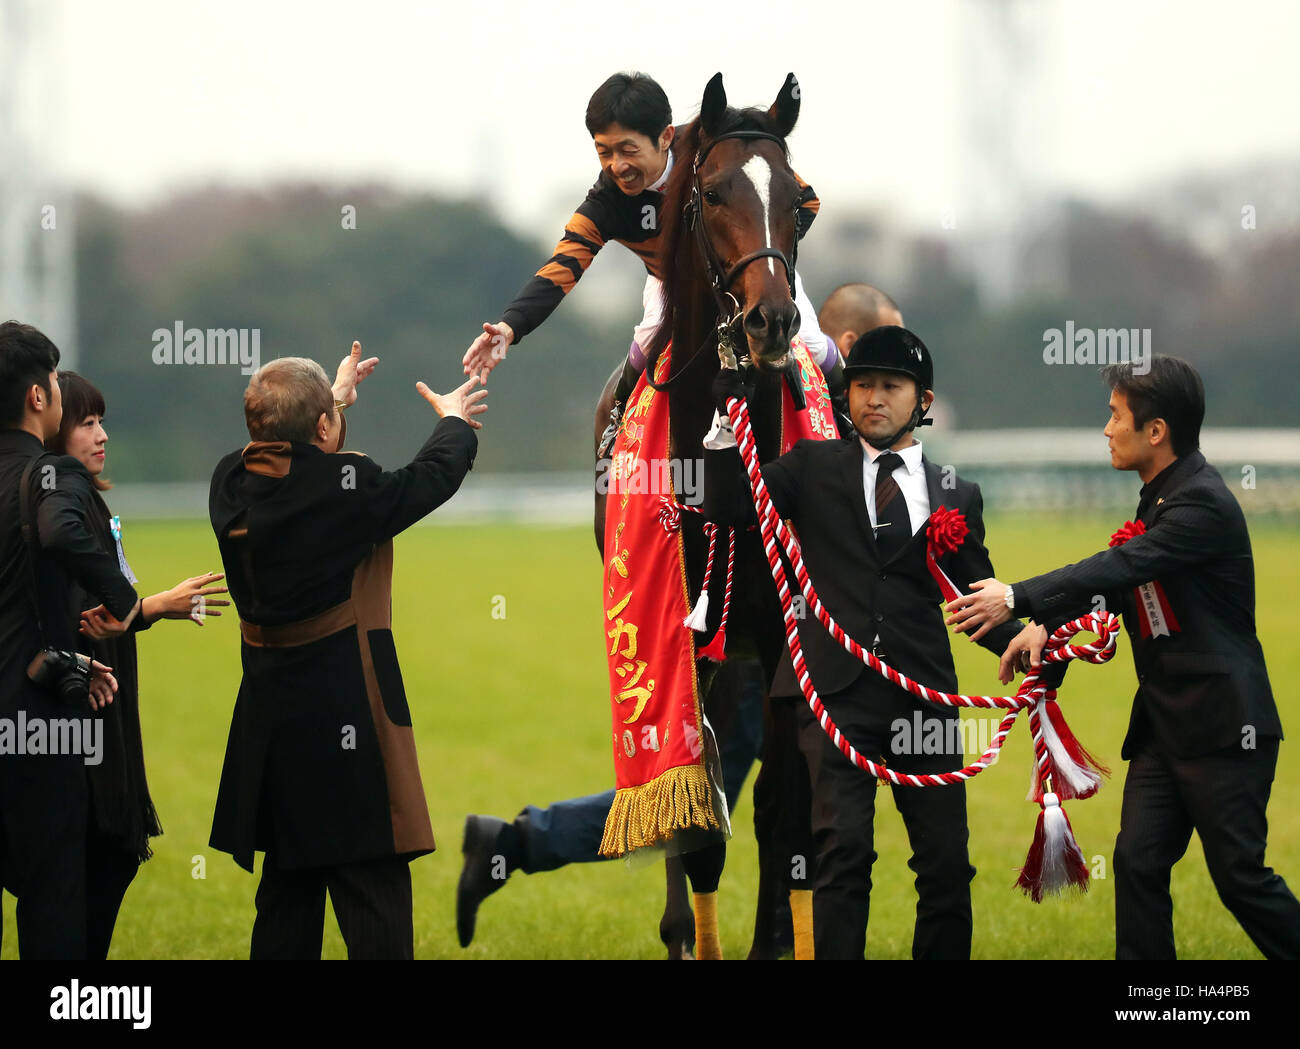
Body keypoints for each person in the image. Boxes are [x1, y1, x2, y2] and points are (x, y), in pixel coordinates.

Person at [703, 325, 1042, 960]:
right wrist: (728, 416)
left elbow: (975, 600)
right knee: (843, 855)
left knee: (945, 866)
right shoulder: (810, 468)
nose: (873, 399)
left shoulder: (956, 495)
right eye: (861, 386)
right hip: (834, 699)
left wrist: (1030, 638)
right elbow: (730, 506)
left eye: (891, 386)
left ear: (924, 400)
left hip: (927, 701)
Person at [945, 355, 1300, 960]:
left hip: (1223, 728)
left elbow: (1124, 565)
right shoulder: (1162, 501)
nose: (1106, 430)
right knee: (1136, 865)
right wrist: (1046, 628)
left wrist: (1016, 597)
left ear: (1156, 431)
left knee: (1241, 879)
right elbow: (1124, 583)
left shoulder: (1202, 504)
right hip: (1165, 728)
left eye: (1115, 417)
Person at [207, 342, 487, 959]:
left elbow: (292, 460)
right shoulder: (344, 487)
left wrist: (325, 405)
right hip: (348, 710)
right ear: (326, 430)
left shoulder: (228, 482)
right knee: (373, 883)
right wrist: (454, 423)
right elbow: (425, 481)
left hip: (270, 720)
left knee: (288, 891)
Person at [460, 71, 837, 432]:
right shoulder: (604, 204)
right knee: (647, 337)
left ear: (666, 137)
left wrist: (759, 255)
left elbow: (806, 202)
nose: (617, 166)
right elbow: (560, 270)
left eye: (628, 149)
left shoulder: (715, 151)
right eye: (604, 151)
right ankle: (616, 424)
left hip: (750, 273)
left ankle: (847, 414)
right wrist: (508, 328)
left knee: (816, 346)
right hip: (670, 280)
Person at [52, 370, 230, 958]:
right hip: (81, 705)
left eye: (102, 421)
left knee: (107, 859)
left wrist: (151, 611)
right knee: (96, 857)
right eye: (86, 422)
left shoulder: (89, 504)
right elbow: (79, 614)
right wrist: (156, 604)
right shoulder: (60, 508)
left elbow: (105, 614)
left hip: (105, 699)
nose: (101, 434)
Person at [0, 321, 140, 958]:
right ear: (38, 397)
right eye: (55, 383)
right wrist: (126, 598)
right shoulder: (51, 474)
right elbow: (58, 533)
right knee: (53, 900)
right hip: (34, 722)